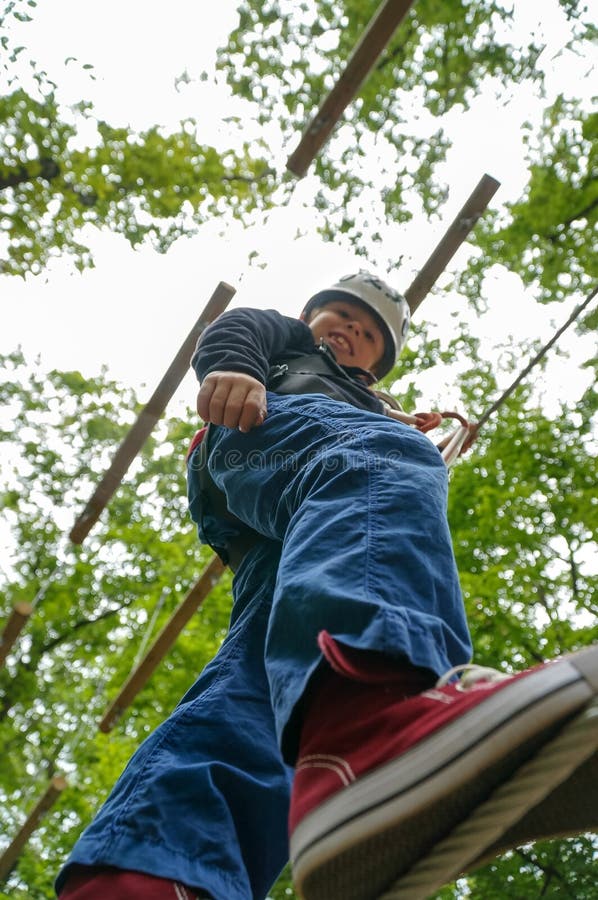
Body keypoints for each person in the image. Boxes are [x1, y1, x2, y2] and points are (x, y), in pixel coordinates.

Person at [56, 272, 597, 900]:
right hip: (257, 428)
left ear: (378, 358)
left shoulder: (371, 404)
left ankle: (155, 871)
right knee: (381, 461)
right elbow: (238, 327)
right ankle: (370, 717)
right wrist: (235, 370)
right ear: (310, 316)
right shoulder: (290, 346)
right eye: (338, 315)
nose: (348, 330)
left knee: (270, 665)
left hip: (286, 511)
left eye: (367, 333)